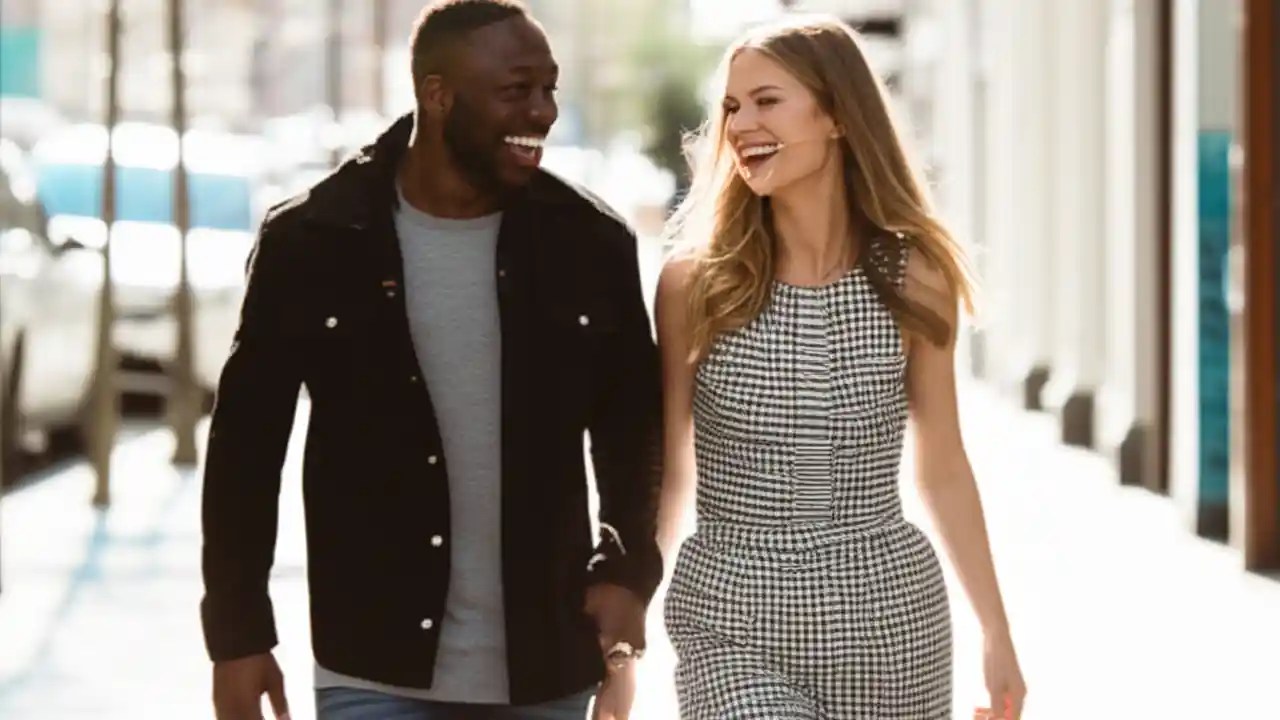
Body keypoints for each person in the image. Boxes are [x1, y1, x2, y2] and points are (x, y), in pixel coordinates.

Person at [200, 2, 662, 718]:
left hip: (545, 668)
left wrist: (627, 575)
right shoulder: (313, 238)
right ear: (437, 93)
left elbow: (633, 433)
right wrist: (238, 637)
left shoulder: (589, 243)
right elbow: (244, 451)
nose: (542, 111)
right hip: (372, 668)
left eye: (550, 89)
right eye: (517, 90)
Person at [654, 14, 1027, 720]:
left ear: (835, 115)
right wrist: (623, 643)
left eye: (767, 101)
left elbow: (942, 463)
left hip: (889, 626)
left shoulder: (913, 276)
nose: (740, 125)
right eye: (731, 106)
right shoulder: (692, 285)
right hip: (730, 623)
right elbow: (670, 471)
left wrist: (996, 632)